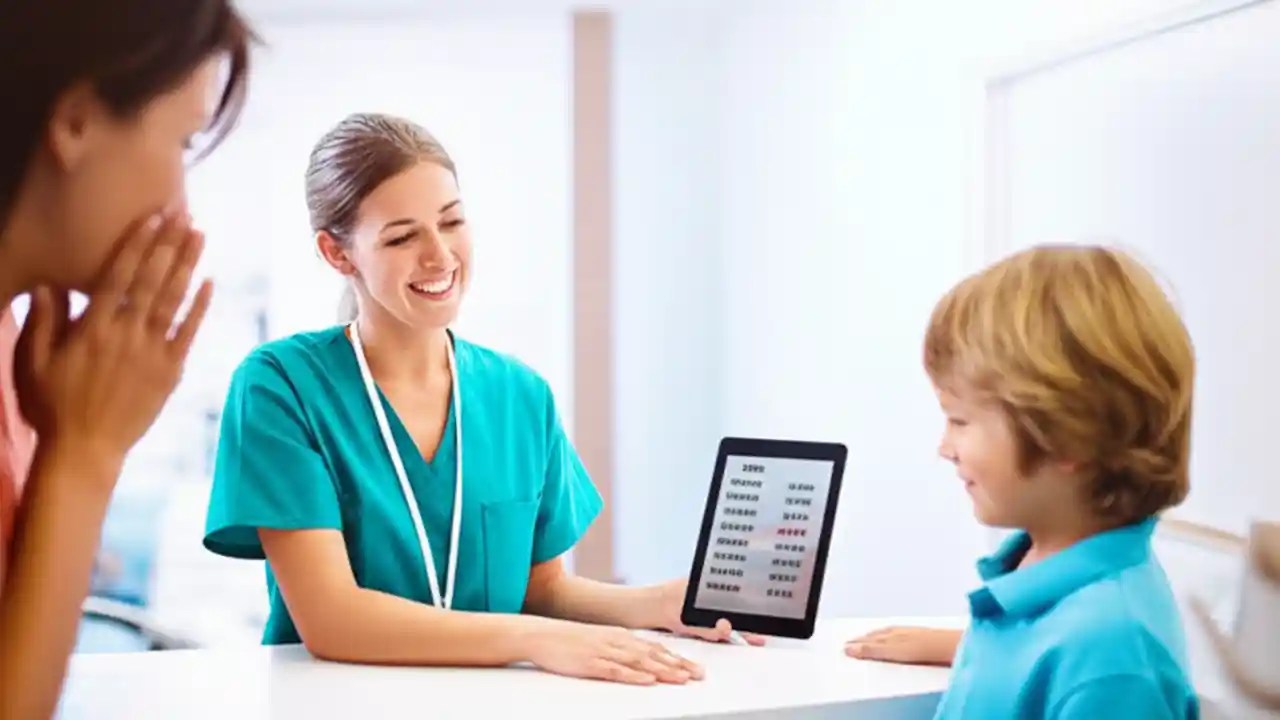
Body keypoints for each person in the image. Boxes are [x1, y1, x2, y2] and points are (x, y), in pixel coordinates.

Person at [203, 112, 763, 686]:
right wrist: (537, 640)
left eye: (452, 222)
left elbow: (539, 589)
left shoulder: (520, 396)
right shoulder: (281, 386)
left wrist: (661, 602)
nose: (440, 256)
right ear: (338, 254)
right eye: (402, 236)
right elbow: (332, 619)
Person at [0, 1, 254, 718]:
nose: (181, 206)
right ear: (76, 121)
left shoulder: (22, 345)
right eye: (180, 143)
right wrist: (84, 456)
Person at [845, 244, 1200, 718]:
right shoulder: (1040, 578)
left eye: (960, 421)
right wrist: (963, 645)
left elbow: (1079, 661)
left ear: (1066, 438)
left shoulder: (1112, 659)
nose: (944, 447)